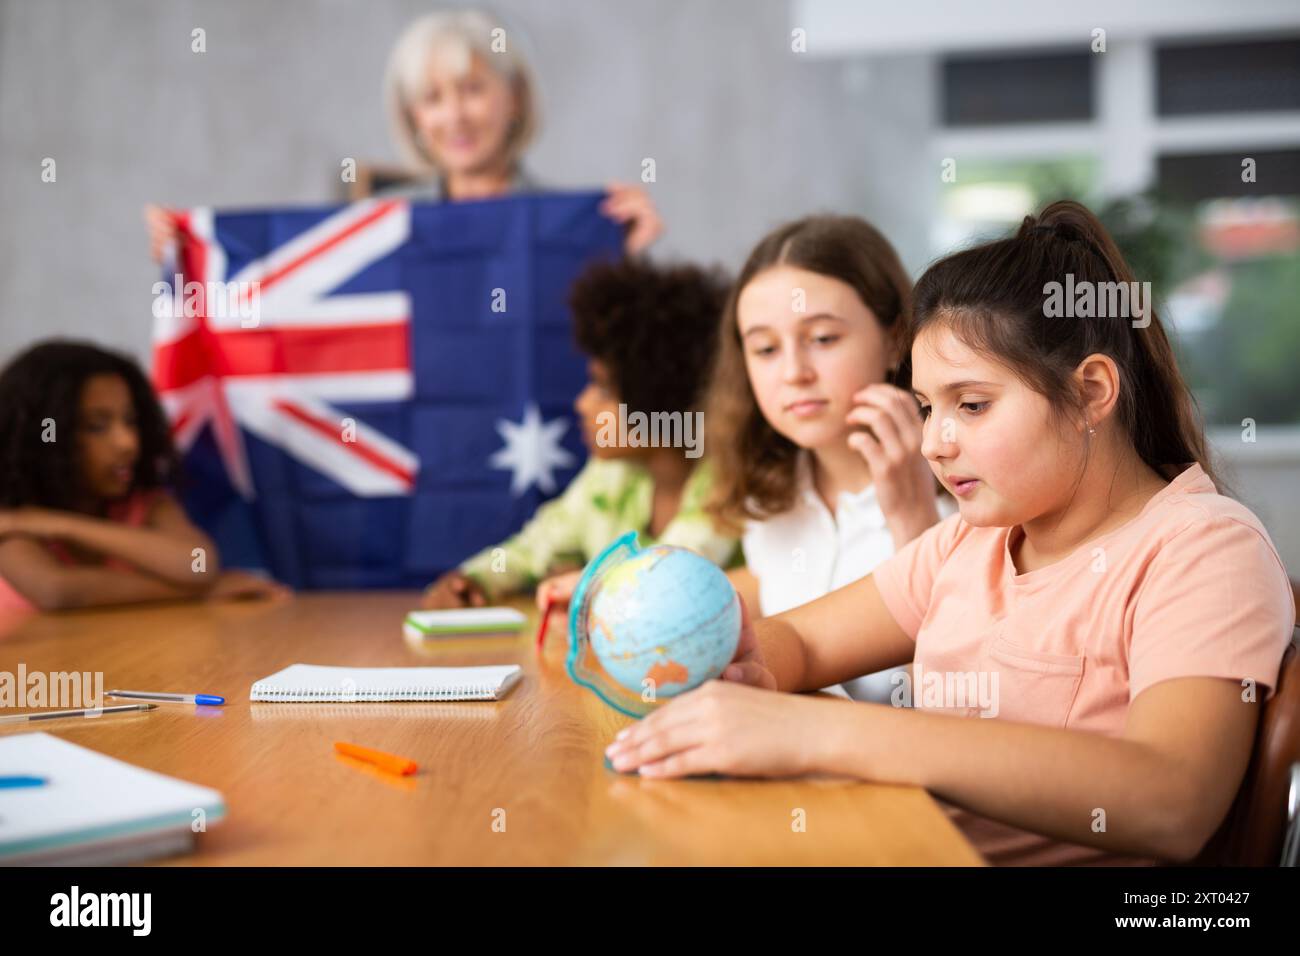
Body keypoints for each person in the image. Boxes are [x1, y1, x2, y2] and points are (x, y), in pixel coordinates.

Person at [605, 201, 1296, 866]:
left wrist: (823, 732)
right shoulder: (974, 542)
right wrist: (743, 665)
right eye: (926, 407)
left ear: (1091, 392)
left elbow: (1170, 799)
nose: (934, 443)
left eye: (971, 405)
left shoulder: (1204, 549)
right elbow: (806, 641)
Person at [145, 9, 661, 260]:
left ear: (517, 97)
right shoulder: (375, 226)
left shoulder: (577, 226)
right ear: (413, 117)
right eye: (432, 99)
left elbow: (637, 374)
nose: (454, 115)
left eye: (472, 89)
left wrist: (632, 260)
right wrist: (192, 253)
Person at [706, 215, 955, 700]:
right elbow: (766, 586)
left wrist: (913, 522)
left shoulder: (969, 486)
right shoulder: (771, 490)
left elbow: (941, 703)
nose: (794, 372)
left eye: (822, 339)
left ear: (894, 339)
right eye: (765, 348)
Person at [422, 258, 737, 609]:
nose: (582, 403)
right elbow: (536, 546)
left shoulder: (730, 484)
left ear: (661, 398)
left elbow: (668, 580)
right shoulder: (608, 477)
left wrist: (582, 577)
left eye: (603, 390)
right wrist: (473, 579)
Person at [0, 341, 286, 611]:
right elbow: (58, 591)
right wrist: (201, 592)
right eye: (96, 426)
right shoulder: (10, 521)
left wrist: (59, 524)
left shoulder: (144, 504)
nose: (127, 443)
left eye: (131, 421)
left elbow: (198, 565)